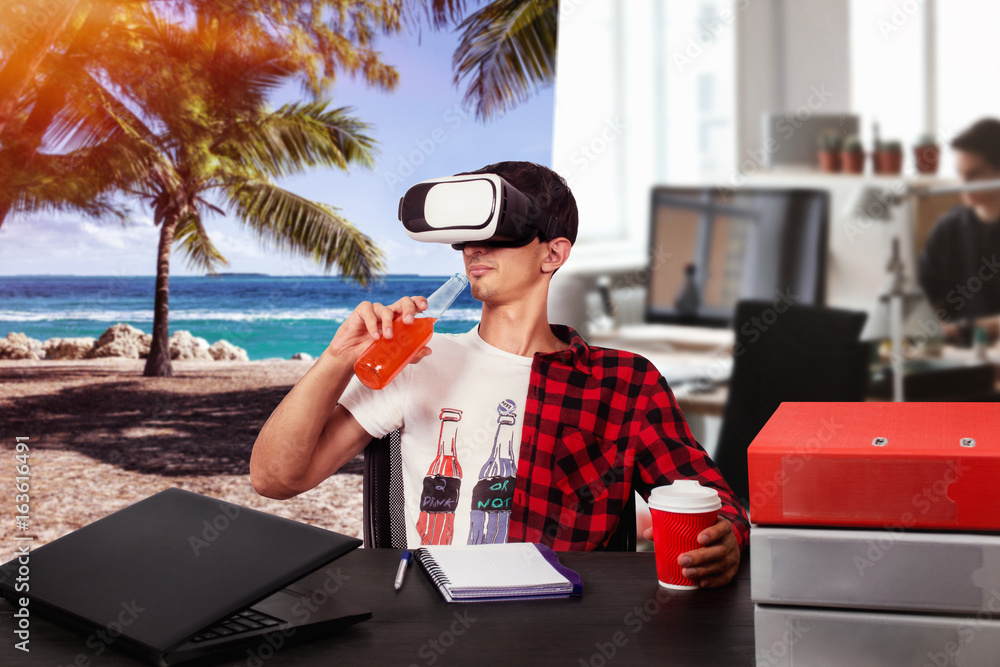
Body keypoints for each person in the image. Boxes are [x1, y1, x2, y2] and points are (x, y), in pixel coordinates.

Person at [250, 161, 749, 588]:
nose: (475, 248)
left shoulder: (622, 382)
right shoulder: (417, 359)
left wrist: (725, 536)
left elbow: (716, 503)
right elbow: (274, 479)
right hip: (436, 616)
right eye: (469, 236)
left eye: (498, 233)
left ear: (553, 253)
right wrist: (338, 357)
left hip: (564, 624)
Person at [918, 118, 1000, 344]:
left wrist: (964, 330)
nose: (963, 183)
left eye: (974, 174)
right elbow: (920, 298)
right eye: (959, 173)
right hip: (953, 352)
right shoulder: (948, 228)